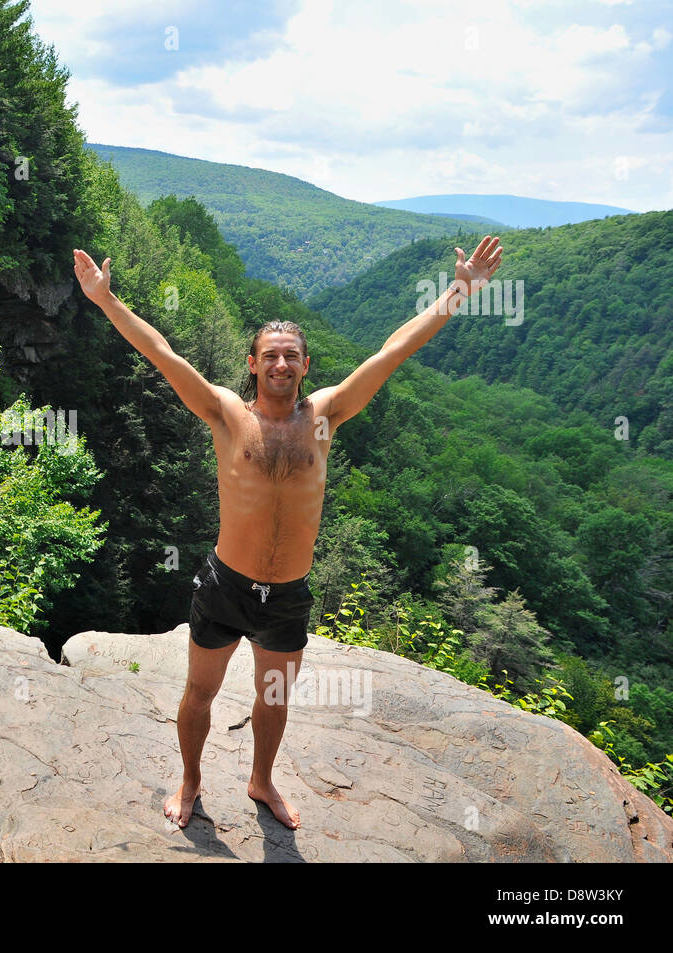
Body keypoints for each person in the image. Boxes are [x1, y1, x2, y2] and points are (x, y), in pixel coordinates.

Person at [72, 236, 504, 832]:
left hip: (288, 596)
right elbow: (162, 353)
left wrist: (461, 291)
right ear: (252, 364)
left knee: (272, 698)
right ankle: (191, 779)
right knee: (200, 694)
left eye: (290, 356)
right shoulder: (226, 413)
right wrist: (104, 300)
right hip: (225, 587)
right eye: (269, 355)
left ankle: (261, 780)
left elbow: (391, 351)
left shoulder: (325, 416)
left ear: (305, 365)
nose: (280, 365)